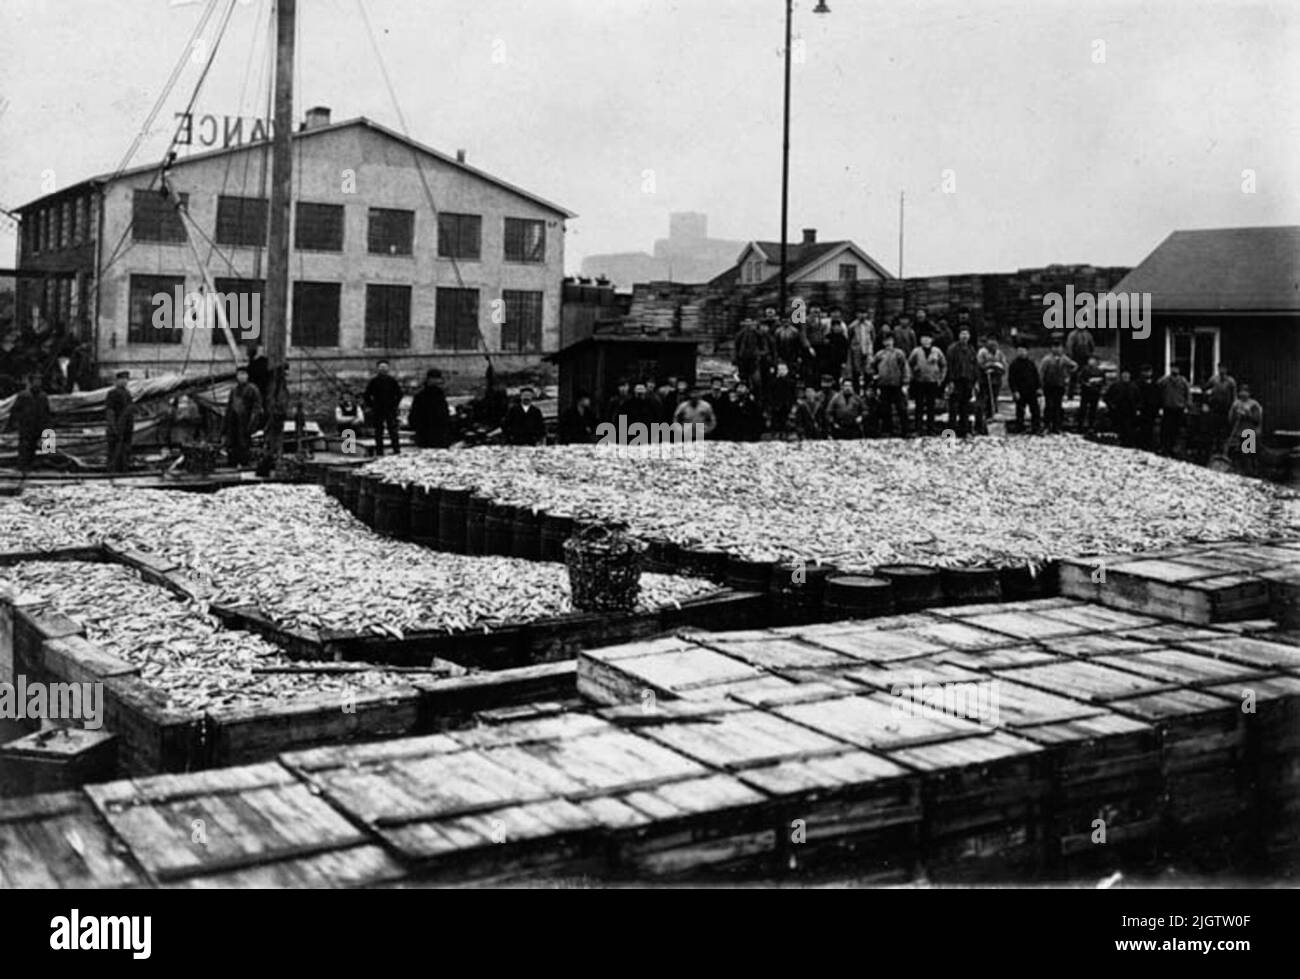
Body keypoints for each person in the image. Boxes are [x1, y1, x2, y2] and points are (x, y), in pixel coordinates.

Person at [871, 334, 910, 436]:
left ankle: (905, 430)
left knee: (901, 408)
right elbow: (872, 367)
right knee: (885, 409)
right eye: (886, 341)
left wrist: (905, 383)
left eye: (890, 340)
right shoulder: (879, 354)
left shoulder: (899, 354)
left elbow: (905, 368)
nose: (888, 343)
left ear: (893, 341)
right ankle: (887, 430)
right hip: (883, 385)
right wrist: (875, 376)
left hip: (897, 385)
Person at [224, 366, 263, 467]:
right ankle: (232, 464)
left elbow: (257, 407)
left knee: (244, 444)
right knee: (232, 444)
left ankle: (244, 464)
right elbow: (229, 407)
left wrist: (252, 422)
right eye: (239, 374)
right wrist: (225, 424)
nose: (241, 377)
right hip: (233, 422)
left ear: (247, 376)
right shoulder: (234, 390)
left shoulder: (252, 389)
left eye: (244, 374)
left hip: (245, 422)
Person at [908, 334, 946, 436]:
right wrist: (912, 376)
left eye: (928, 338)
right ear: (920, 340)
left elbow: (943, 365)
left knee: (931, 406)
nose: (926, 340)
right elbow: (909, 364)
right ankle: (918, 429)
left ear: (931, 340)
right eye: (923, 338)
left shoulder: (937, 351)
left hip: (932, 382)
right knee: (919, 406)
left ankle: (931, 429)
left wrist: (940, 378)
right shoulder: (916, 351)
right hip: (919, 382)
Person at [945, 328, 980, 437]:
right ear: (959, 335)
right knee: (954, 407)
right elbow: (949, 365)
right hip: (956, 380)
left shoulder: (971, 349)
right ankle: (951, 432)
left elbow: (974, 366)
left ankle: (964, 430)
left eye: (966, 334)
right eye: (962, 334)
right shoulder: (952, 349)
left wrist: (976, 381)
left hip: (968, 381)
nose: (964, 336)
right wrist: (950, 381)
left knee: (965, 407)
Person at [11, 373, 51, 470]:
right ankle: (22, 467)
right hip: (26, 426)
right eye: (36, 381)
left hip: (38, 425)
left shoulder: (43, 396)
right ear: (31, 382)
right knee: (24, 447)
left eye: (39, 381)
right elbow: (15, 410)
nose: (38, 383)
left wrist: (47, 426)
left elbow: (47, 411)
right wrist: (16, 423)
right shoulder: (23, 395)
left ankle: (32, 465)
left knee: (35, 446)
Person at [364, 360, 403, 456]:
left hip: (390, 408)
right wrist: (371, 405)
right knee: (378, 431)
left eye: (385, 367)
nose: (383, 369)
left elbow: (399, 394)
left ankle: (396, 449)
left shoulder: (392, 381)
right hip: (378, 409)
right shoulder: (374, 381)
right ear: (378, 369)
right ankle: (379, 451)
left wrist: (395, 404)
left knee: (393, 430)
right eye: (381, 368)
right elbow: (366, 395)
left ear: (388, 369)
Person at [1038, 340, 1077, 434]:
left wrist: (1068, 375)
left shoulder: (1064, 359)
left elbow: (1074, 365)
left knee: (1058, 406)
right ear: (1052, 348)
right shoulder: (1047, 359)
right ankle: (1047, 425)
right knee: (1049, 406)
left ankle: (1057, 426)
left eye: (1059, 347)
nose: (1057, 349)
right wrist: (1040, 385)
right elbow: (1041, 372)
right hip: (1049, 385)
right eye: (1055, 347)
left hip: (1060, 385)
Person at [1225, 385, 1263, 476]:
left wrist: (1247, 415)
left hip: (1249, 431)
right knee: (1238, 453)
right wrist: (1236, 416)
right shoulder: (1236, 404)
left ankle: (1250, 472)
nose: (1243, 394)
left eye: (1245, 391)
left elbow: (1257, 419)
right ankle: (1240, 470)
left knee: (1248, 453)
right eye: (1242, 391)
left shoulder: (1253, 404)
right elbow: (1230, 418)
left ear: (1249, 393)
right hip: (1238, 432)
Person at [409, 369, 452, 448]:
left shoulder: (440, 394)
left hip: (439, 430)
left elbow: (444, 411)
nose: (436, 381)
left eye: (437, 379)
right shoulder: (421, 395)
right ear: (429, 379)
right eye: (434, 378)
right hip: (425, 429)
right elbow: (415, 412)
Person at [105, 370, 136, 473]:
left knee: (125, 449)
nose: (124, 382)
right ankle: (113, 471)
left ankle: (124, 469)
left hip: (127, 427)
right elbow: (110, 411)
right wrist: (113, 427)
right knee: (114, 450)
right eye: (122, 379)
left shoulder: (128, 394)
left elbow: (130, 411)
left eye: (126, 379)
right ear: (117, 381)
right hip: (117, 426)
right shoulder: (112, 393)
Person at [1157, 364, 1191, 456]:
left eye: (1176, 368)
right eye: (1173, 368)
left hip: (1179, 409)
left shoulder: (1183, 381)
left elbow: (1188, 394)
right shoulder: (1164, 381)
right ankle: (1164, 448)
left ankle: (1174, 449)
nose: (1174, 370)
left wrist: (1187, 406)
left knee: (1176, 430)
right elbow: (1157, 389)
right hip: (1168, 408)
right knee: (1166, 430)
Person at [1008, 346, 1042, 434]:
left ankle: (1036, 427)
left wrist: (1038, 387)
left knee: (1035, 410)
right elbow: (1011, 379)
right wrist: (1014, 391)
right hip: (1020, 391)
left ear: (1027, 351)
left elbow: (1036, 376)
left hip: (1031, 390)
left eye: (1023, 350)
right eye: (1019, 351)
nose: (1021, 352)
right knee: (1020, 410)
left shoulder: (1031, 363)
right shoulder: (1014, 364)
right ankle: (1019, 427)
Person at [1204, 364, 1237, 448]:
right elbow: (1205, 389)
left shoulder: (1230, 381)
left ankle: (1223, 447)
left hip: (1226, 409)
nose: (1222, 370)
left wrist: (1233, 408)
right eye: (1220, 369)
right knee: (1214, 428)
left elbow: (1234, 396)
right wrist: (1207, 401)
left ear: (1226, 370)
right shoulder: (1214, 380)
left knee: (1225, 429)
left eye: (1223, 369)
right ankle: (1214, 446)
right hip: (1215, 408)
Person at [1104, 369, 1139, 446]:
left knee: (1130, 428)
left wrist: (1137, 408)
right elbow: (1107, 397)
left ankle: (1129, 442)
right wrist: (1111, 405)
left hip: (1130, 410)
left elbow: (1138, 398)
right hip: (1119, 410)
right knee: (1120, 427)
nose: (1126, 377)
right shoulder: (1115, 386)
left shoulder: (1134, 386)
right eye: (1124, 376)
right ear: (1121, 377)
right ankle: (1121, 441)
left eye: (1127, 376)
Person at [976, 337, 1007, 421]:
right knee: (983, 400)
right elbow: (980, 364)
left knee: (993, 400)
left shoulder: (999, 353)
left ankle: (992, 417)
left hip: (996, 381)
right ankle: (982, 420)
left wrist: (997, 368)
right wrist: (987, 367)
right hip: (984, 381)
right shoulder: (982, 352)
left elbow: (1004, 366)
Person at [732, 318, 765, 392]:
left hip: (754, 361)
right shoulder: (740, 335)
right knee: (743, 380)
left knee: (756, 381)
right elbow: (736, 348)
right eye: (747, 323)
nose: (748, 325)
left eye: (750, 323)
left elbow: (763, 347)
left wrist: (758, 354)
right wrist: (735, 361)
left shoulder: (758, 334)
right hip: (742, 361)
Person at [766, 361, 798, 435]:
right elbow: (770, 393)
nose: (782, 371)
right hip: (776, 405)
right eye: (780, 369)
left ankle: (784, 432)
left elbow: (792, 394)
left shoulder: (790, 382)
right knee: (777, 420)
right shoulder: (773, 382)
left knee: (784, 420)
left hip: (786, 405)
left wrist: (792, 404)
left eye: (783, 369)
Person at [848, 311, 875, 393]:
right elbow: (849, 337)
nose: (862, 315)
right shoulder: (852, 325)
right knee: (856, 371)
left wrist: (869, 347)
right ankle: (857, 391)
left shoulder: (869, 325)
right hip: (856, 351)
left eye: (864, 313)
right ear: (857, 314)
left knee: (868, 371)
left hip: (867, 350)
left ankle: (867, 390)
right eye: (860, 313)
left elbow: (873, 337)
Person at [1135, 364, 1161, 450]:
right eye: (1145, 372)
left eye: (1149, 371)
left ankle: (1150, 444)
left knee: (1151, 427)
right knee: (1142, 427)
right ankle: (1141, 444)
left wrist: (1158, 407)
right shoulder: (1137, 384)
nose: (1147, 374)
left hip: (1152, 409)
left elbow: (1158, 396)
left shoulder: (1155, 384)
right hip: (1142, 409)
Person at [1065, 327, 1094, 397]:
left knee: (1085, 375)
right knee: (1073, 376)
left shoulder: (1087, 334)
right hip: (1076, 357)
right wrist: (1071, 357)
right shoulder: (1073, 334)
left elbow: (1092, 345)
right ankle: (1070, 393)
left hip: (1085, 357)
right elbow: (1069, 346)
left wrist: (1090, 354)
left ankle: (1085, 393)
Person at [824, 311, 850, 382]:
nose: (836, 328)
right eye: (835, 326)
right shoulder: (828, 337)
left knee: (837, 376)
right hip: (828, 361)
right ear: (832, 327)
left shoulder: (843, 338)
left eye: (838, 326)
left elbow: (845, 351)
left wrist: (844, 362)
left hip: (839, 361)